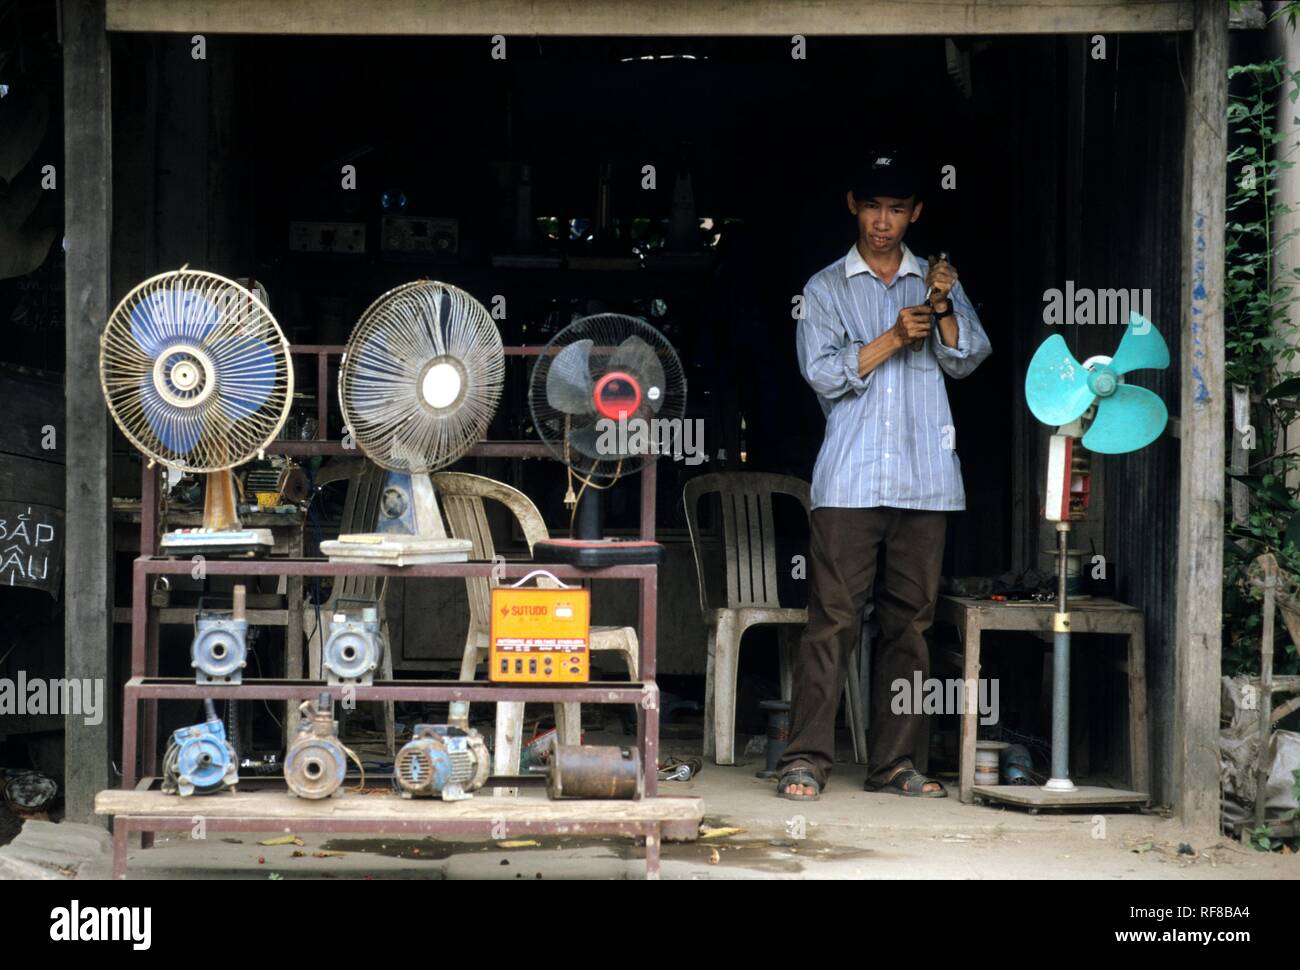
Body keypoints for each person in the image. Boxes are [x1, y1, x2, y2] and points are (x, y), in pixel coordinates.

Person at [778, 151, 992, 800]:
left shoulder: (936, 279)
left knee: (912, 628)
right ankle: (806, 759)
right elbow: (822, 373)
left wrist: (945, 305)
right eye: (872, 207)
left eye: (897, 210)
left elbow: (968, 357)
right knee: (833, 622)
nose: (882, 221)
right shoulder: (824, 289)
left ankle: (896, 764)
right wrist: (896, 336)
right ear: (853, 206)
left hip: (927, 482)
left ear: (915, 214)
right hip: (850, 483)